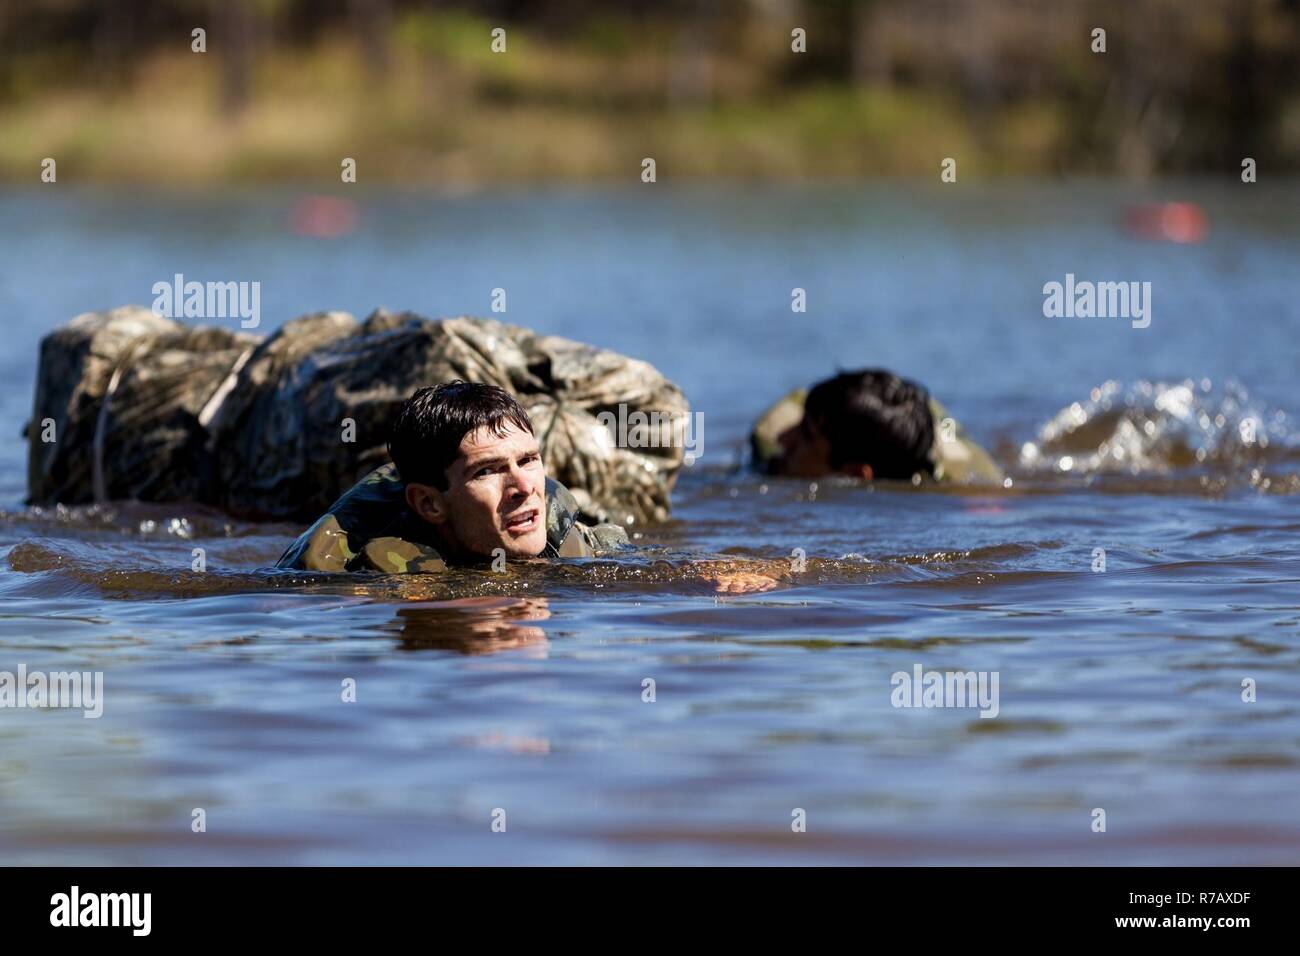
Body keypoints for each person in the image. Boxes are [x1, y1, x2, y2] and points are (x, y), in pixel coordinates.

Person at [277, 381, 780, 593]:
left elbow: (636, 571)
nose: (523, 486)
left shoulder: (558, 518)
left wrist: (711, 574)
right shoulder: (347, 567)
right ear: (430, 503)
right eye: (488, 471)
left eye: (529, 460)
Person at [750, 369, 1003, 484]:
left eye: (806, 436)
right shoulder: (769, 433)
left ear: (854, 474)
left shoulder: (964, 481)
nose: (783, 438)